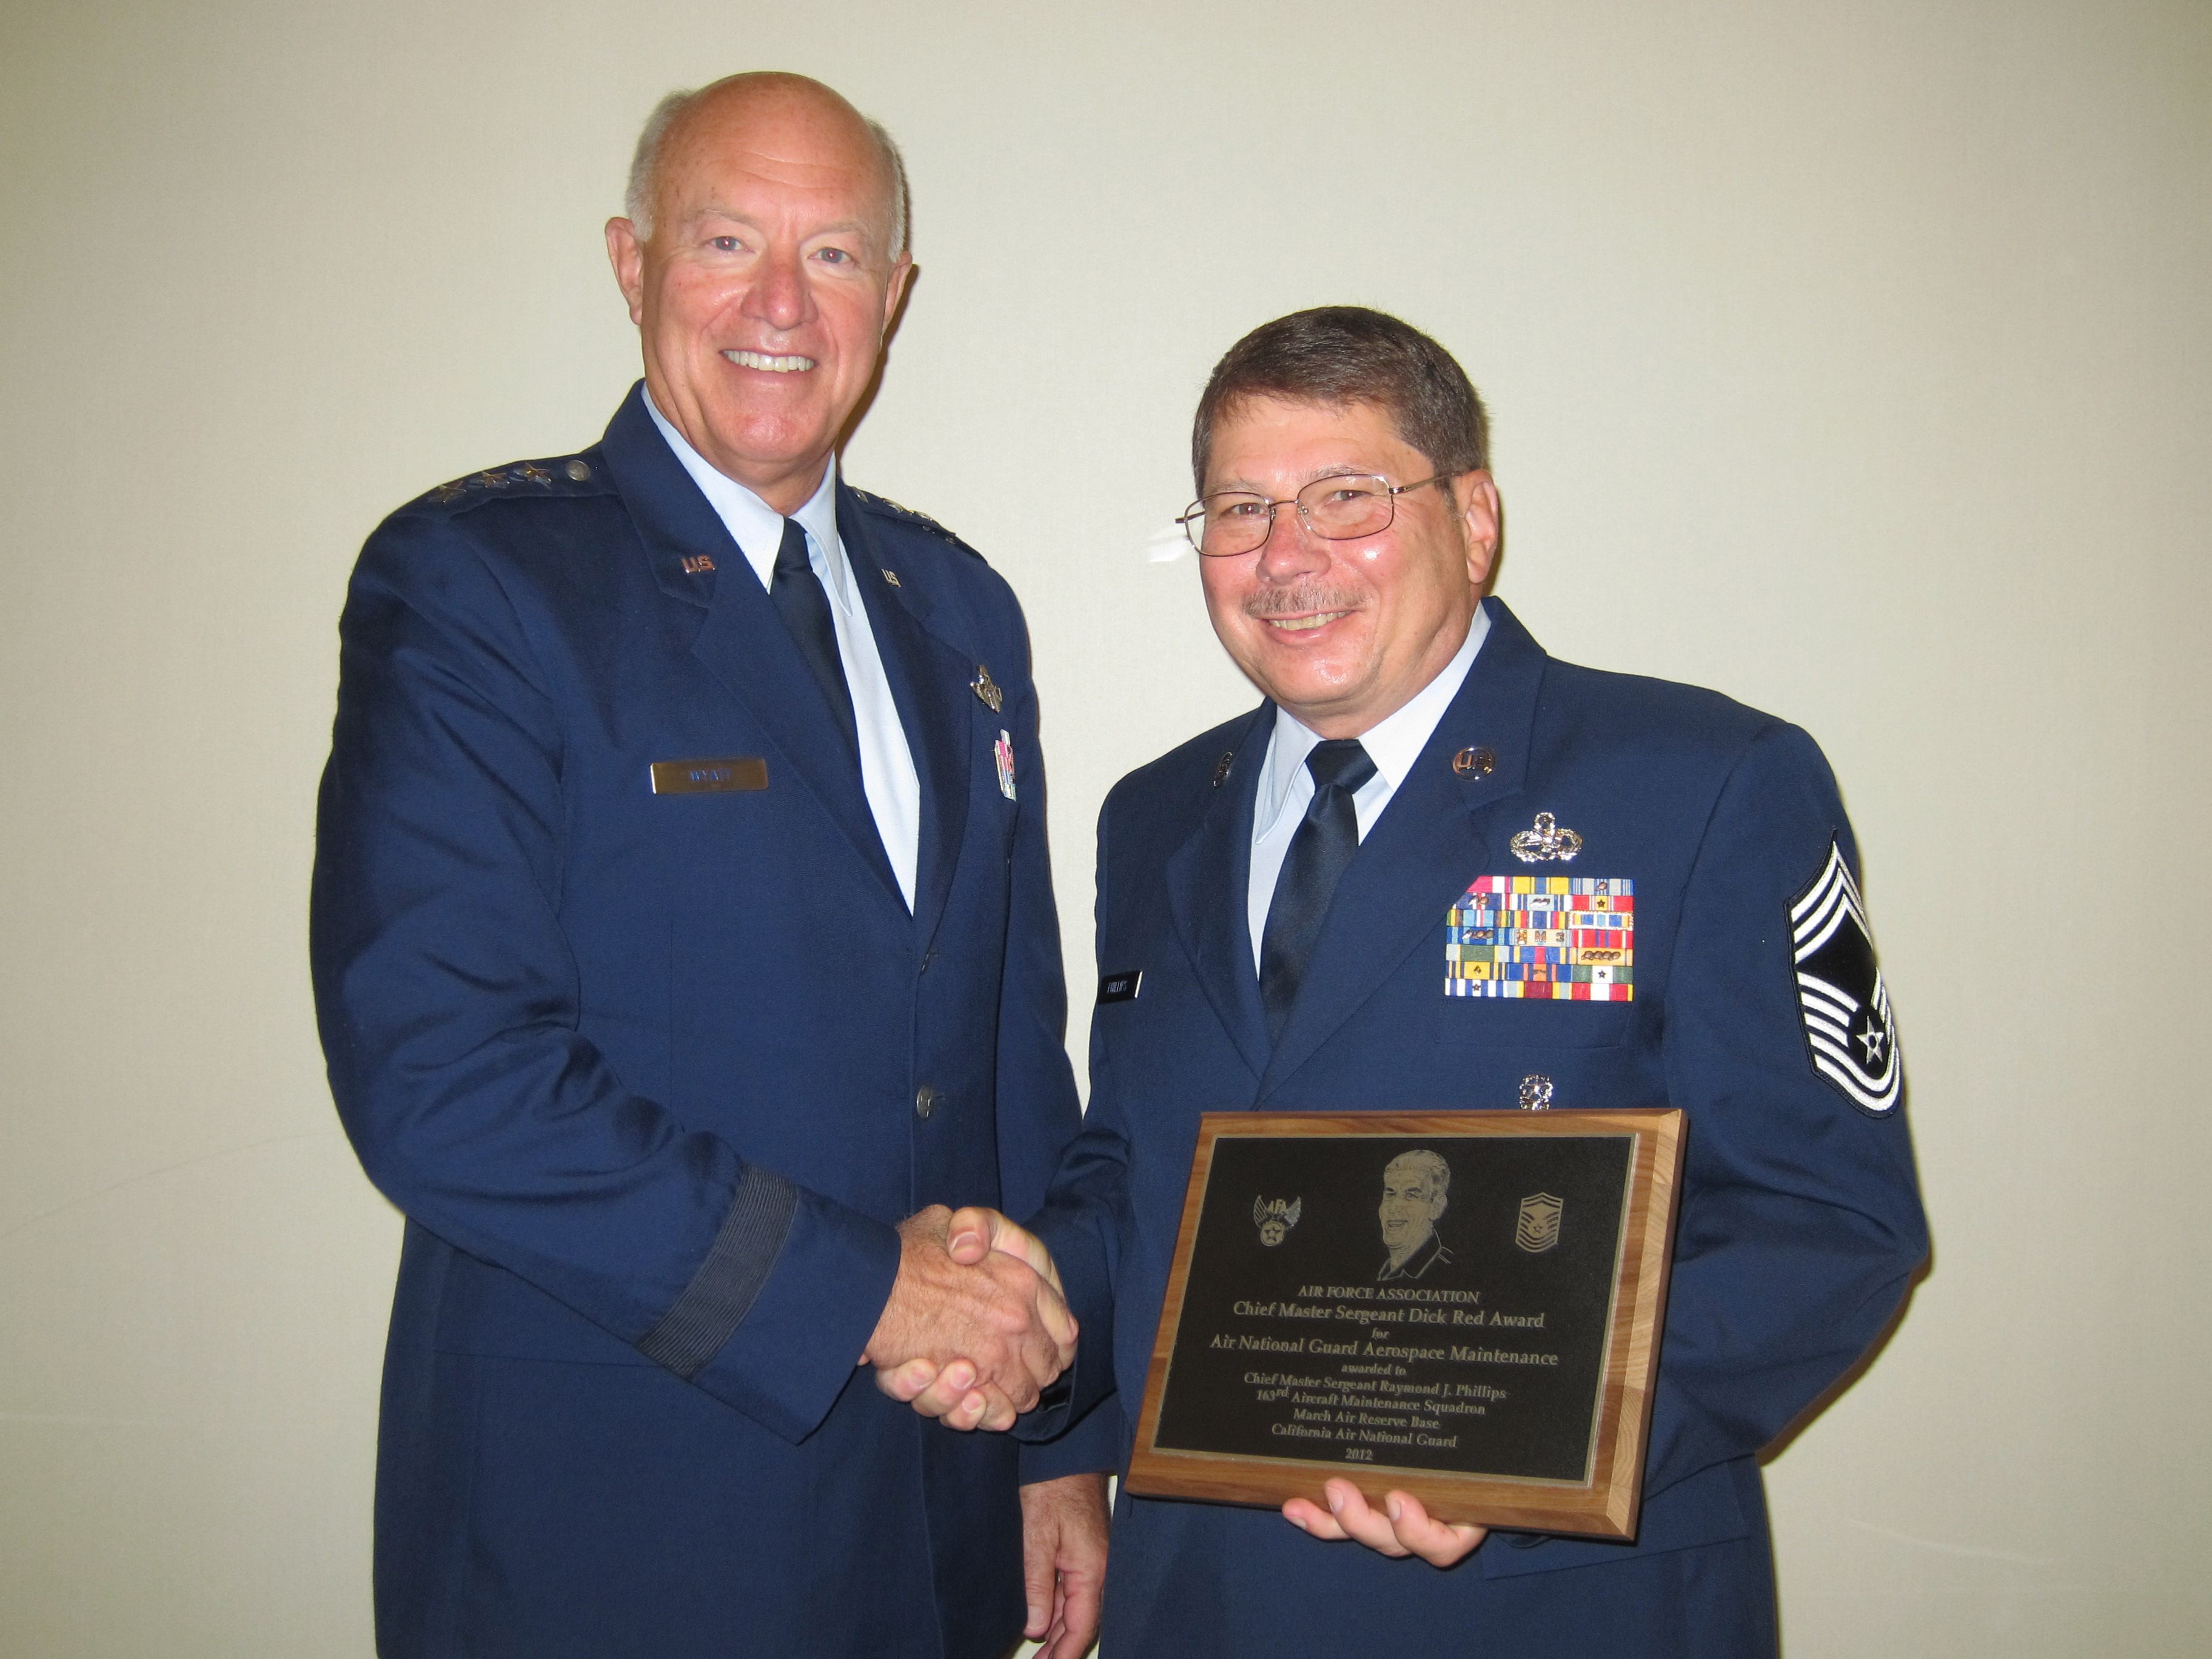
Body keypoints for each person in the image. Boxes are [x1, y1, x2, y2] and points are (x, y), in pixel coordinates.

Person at [311, 72, 1109, 1659]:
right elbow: (443, 1074)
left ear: (893, 295)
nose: (778, 306)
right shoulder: (486, 584)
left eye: (831, 257)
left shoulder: (962, 612)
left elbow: (1013, 1065)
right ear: (631, 264)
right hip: (617, 1523)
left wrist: (1056, 1443)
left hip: (940, 1511)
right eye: (726, 241)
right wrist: (871, 1297)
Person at [990, 305, 1926, 1655]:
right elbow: (1133, 1175)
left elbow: (1830, 1221)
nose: (1287, 556)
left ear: (1473, 518)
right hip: (1201, 1598)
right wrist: (1027, 1335)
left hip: (1553, 1604)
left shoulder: (1705, 783)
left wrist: (1531, 1442)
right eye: (1240, 509)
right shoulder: (1155, 817)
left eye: (1348, 497)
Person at [1376, 1150, 1452, 1281]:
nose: (1393, 1207)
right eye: (1390, 1194)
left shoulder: (1451, 1273)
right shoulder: (1381, 1272)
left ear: (1437, 1207)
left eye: (1410, 1195)